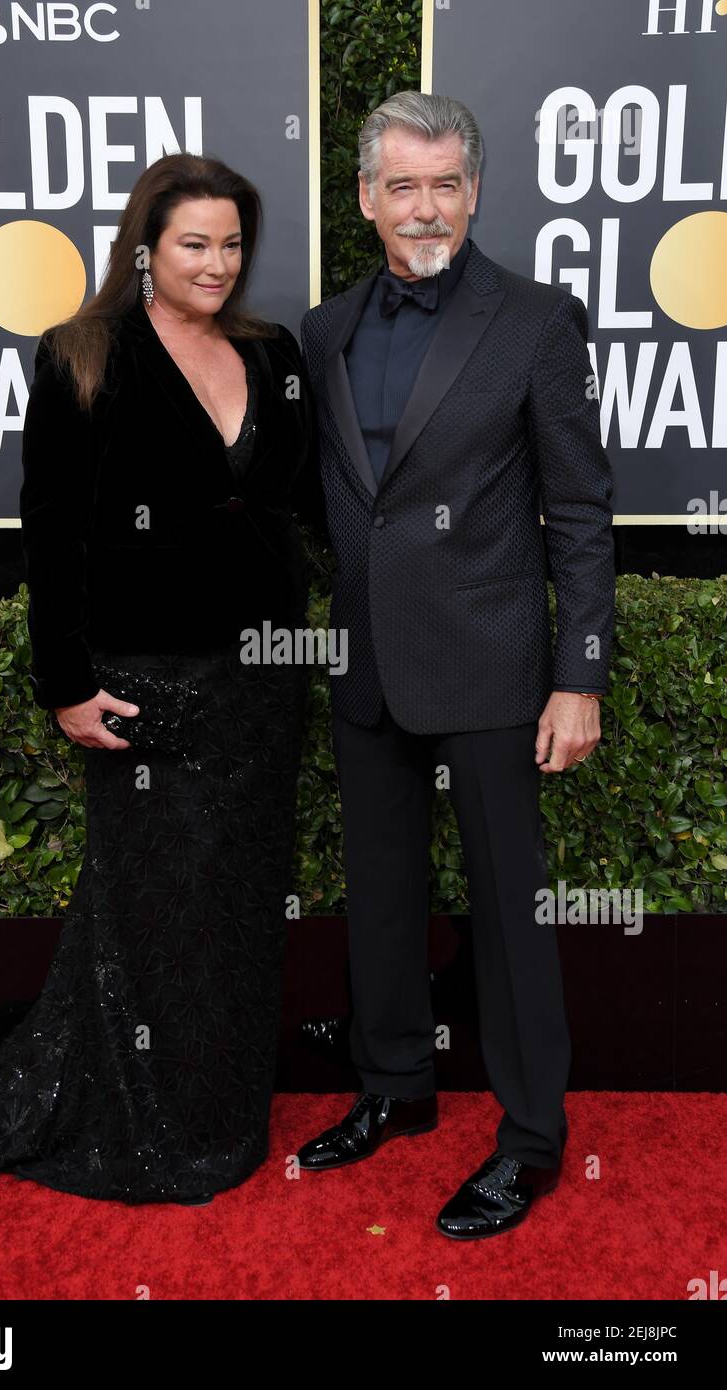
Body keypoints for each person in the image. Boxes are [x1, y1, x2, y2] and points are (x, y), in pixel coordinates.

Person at [0, 152, 326, 1207]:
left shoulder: (273, 351)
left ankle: (219, 1105)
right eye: (194, 242)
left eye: (232, 243)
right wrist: (62, 684)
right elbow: (49, 537)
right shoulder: (83, 353)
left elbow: (306, 504)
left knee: (235, 907)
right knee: (152, 914)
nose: (216, 264)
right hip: (145, 684)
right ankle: (148, 1117)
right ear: (144, 248)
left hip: (261, 682)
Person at [295, 92, 615, 1239]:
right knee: (378, 898)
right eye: (402, 186)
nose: (424, 206)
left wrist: (577, 674)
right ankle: (394, 1089)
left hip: (490, 666)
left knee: (508, 914)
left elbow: (578, 505)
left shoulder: (534, 320)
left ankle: (530, 1141)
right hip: (367, 664)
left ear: (473, 192)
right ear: (368, 198)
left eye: (445, 184)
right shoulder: (324, 331)